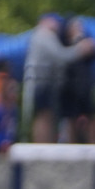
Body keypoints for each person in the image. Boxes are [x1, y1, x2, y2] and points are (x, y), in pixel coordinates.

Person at [22, 14, 67, 143]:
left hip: (40, 81)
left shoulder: (37, 36)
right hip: (41, 81)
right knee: (44, 116)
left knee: (45, 116)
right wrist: (80, 49)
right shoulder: (44, 35)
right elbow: (60, 55)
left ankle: (43, 144)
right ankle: (42, 145)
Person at [58, 17, 95, 145]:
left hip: (85, 86)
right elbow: (64, 59)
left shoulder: (87, 41)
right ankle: (72, 147)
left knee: (92, 118)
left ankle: (93, 146)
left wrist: (87, 45)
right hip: (69, 87)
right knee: (70, 120)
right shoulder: (63, 44)